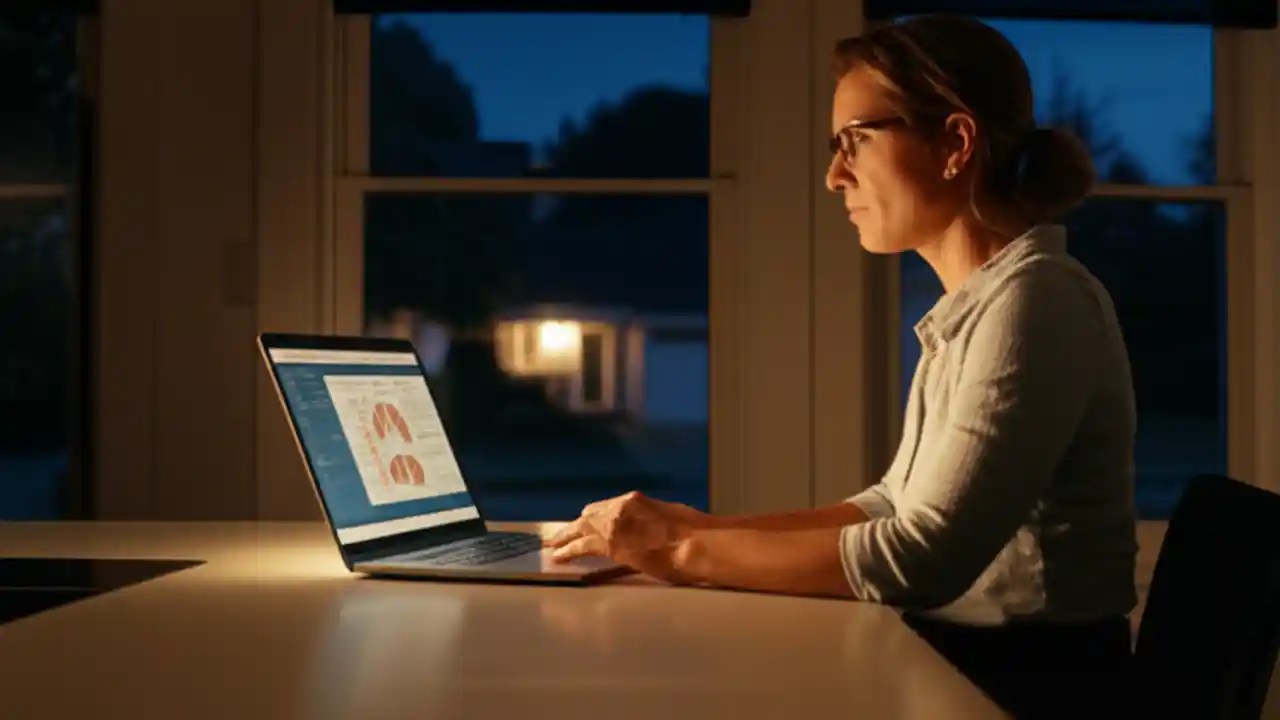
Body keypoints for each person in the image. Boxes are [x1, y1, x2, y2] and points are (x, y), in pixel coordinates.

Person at [547, 14, 1137, 717]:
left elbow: (920, 557)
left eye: (856, 140)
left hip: (1026, 685)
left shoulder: (1037, 299)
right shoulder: (980, 306)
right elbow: (890, 506)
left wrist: (677, 551)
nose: (833, 176)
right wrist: (699, 527)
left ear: (955, 142)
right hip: (975, 660)